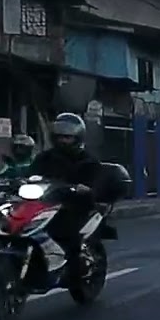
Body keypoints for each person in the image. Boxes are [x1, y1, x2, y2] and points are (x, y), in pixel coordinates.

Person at [28, 113, 104, 271]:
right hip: (44, 203)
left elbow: (95, 183)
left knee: (70, 236)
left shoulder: (88, 160)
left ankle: (73, 268)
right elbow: (29, 175)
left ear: (77, 138)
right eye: (59, 137)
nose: (62, 141)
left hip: (74, 205)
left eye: (67, 137)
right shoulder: (44, 158)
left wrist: (84, 188)